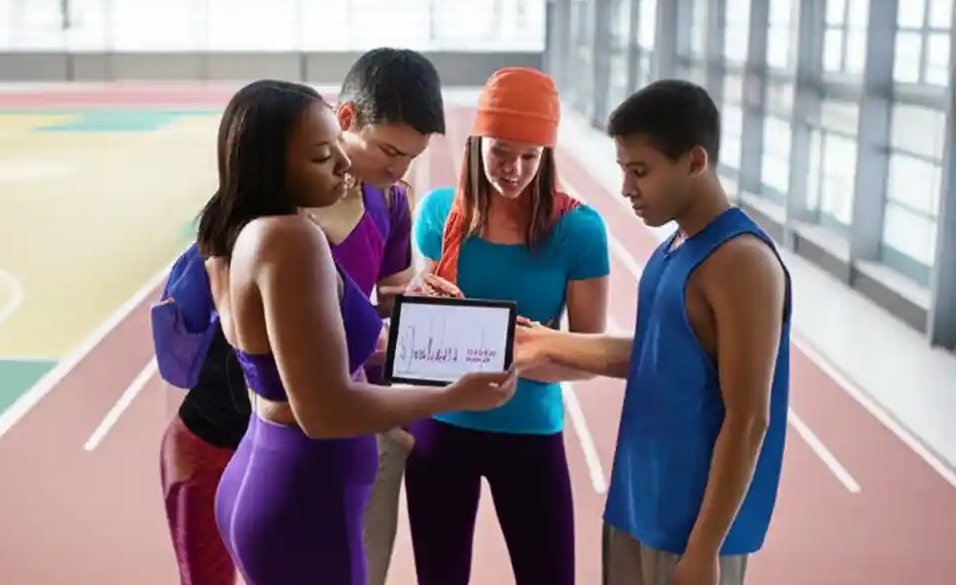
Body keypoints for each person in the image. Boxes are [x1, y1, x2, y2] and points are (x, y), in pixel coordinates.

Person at [198, 78, 516, 585]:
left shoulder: (256, 232)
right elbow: (325, 411)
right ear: (271, 165)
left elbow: (314, 355)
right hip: (306, 495)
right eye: (323, 156)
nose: (345, 164)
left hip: (276, 476)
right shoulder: (293, 240)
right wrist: (455, 395)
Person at [156, 49, 447, 585]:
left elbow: (372, 312)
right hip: (234, 438)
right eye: (389, 150)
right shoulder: (269, 225)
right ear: (345, 120)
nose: (397, 169)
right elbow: (309, 379)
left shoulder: (388, 203)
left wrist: (427, 312)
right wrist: (454, 392)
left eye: (412, 157)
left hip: (308, 452)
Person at [513, 79, 791, 585]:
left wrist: (704, 549)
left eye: (640, 171)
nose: (627, 188)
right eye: (623, 170)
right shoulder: (675, 247)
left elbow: (749, 418)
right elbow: (653, 356)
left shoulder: (742, 263)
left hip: (688, 530)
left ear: (695, 161)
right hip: (636, 507)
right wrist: (542, 342)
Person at [403, 67, 611, 585]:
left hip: (529, 432)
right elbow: (421, 330)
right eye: (500, 152)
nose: (513, 170)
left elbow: (589, 359)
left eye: (529, 156)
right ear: (477, 142)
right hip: (441, 427)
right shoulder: (437, 215)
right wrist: (418, 305)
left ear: (547, 155)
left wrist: (518, 357)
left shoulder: (579, 231)